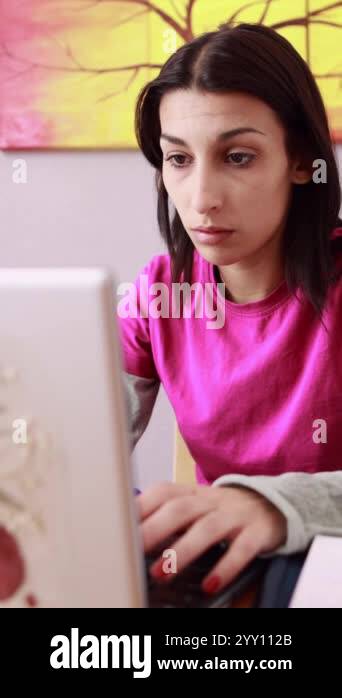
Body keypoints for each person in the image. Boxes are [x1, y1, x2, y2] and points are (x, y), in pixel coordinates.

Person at [118, 21, 342, 598]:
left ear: (300, 160)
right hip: (223, 571)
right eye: (178, 160)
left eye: (238, 157)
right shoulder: (160, 292)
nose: (200, 199)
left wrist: (273, 505)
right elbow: (78, 443)